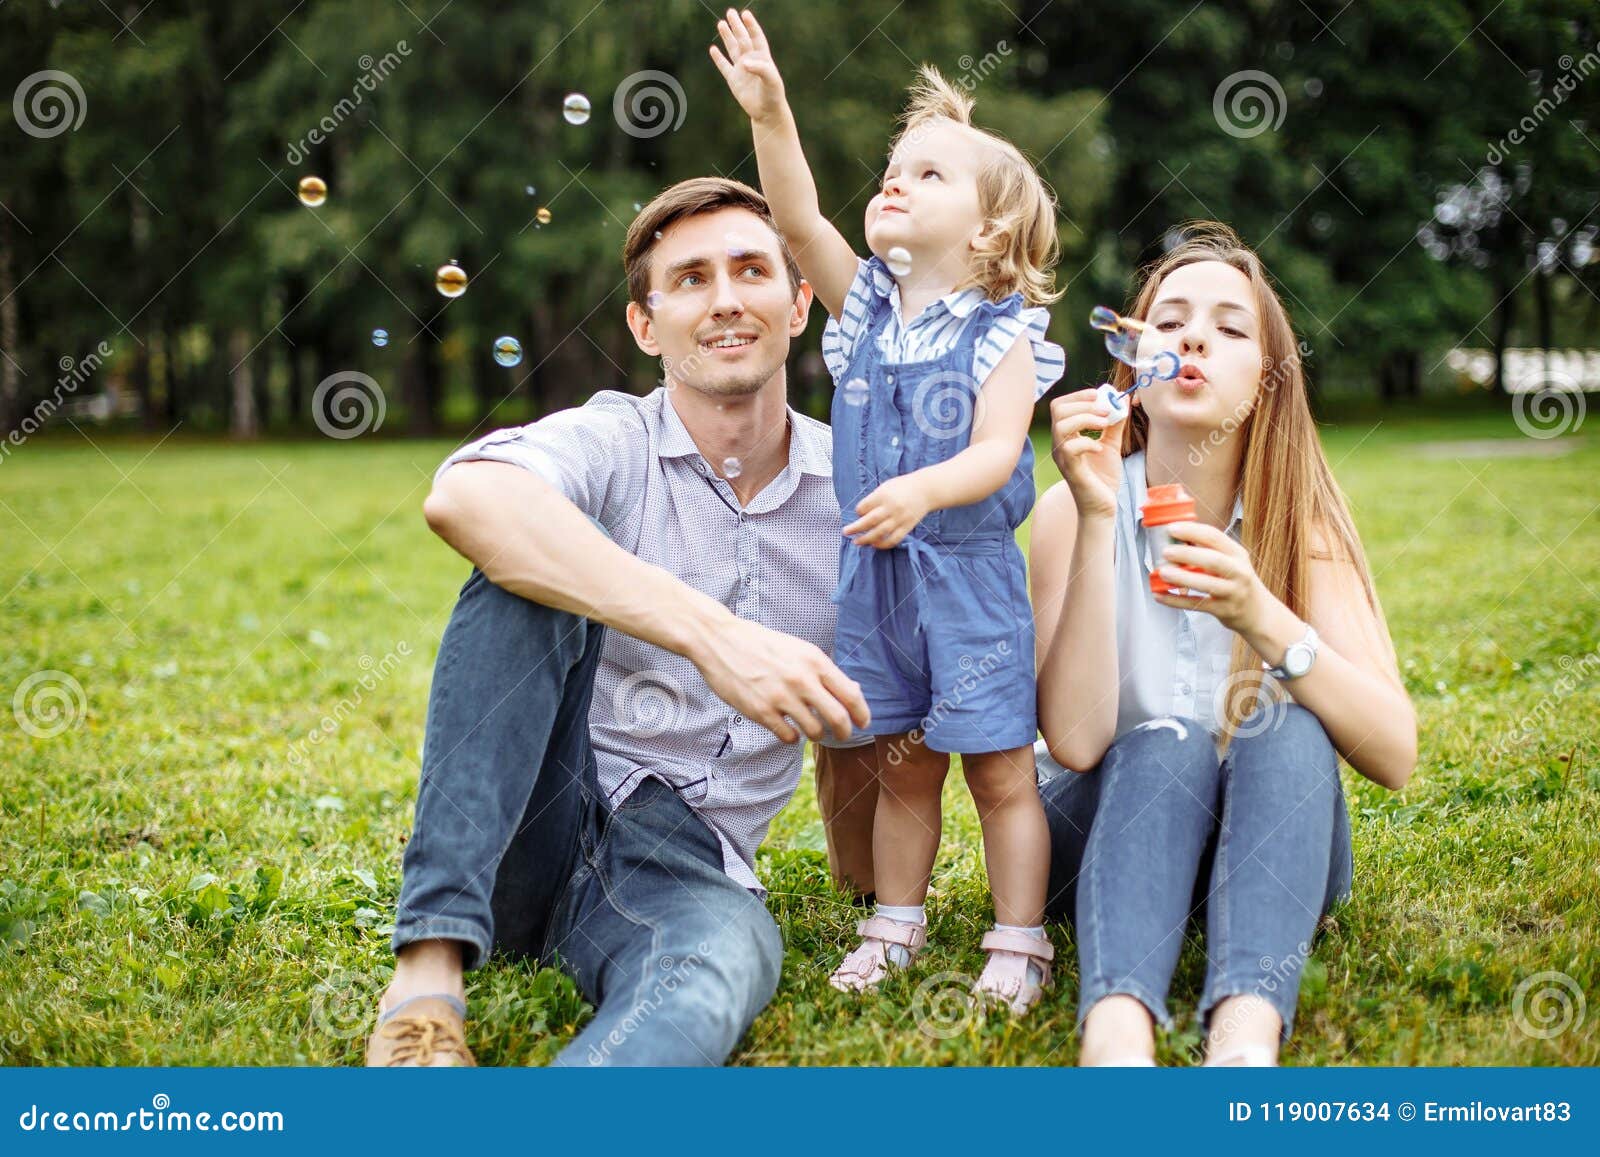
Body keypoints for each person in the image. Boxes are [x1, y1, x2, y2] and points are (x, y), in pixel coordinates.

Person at [364, 176, 881, 1068]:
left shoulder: (859, 491)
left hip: (680, 863)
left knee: (716, 967)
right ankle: (426, 978)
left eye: (752, 270)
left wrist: (870, 884)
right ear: (647, 327)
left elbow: (865, 715)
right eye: (689, 279)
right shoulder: (613, 440)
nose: (725, 300)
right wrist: (712, 634)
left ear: (800, 305)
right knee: (527, 567)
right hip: (538, 819)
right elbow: (466, 494)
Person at [713, 7, 1066, 1012]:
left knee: (999, 771)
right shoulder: (863, 306)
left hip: (966, 582)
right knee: (901, 767)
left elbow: (1000, 449)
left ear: (989, 230)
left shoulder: (1003, 334)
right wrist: (771, 114)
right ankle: (895, 923)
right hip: (879, 582)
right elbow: (795, 224)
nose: (896, 181)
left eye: (930, 174)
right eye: (893, 168)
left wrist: (922, 487)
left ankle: (1018, 937)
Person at [1032, 222, 1418, 1065]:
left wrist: (1261, 615)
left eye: (1230, 327)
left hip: (1271, 836)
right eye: (1168, 321)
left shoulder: (1299, 522)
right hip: (1104, 835)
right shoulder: (1072, 507)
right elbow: (1075, 739)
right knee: (1164, 744)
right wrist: (1100, 520)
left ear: (1268, 383)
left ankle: (1243, 1042)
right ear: (1134, 360)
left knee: (1285, 724)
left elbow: (1394, 752)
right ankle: (1117, 1041)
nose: (1193, 336)